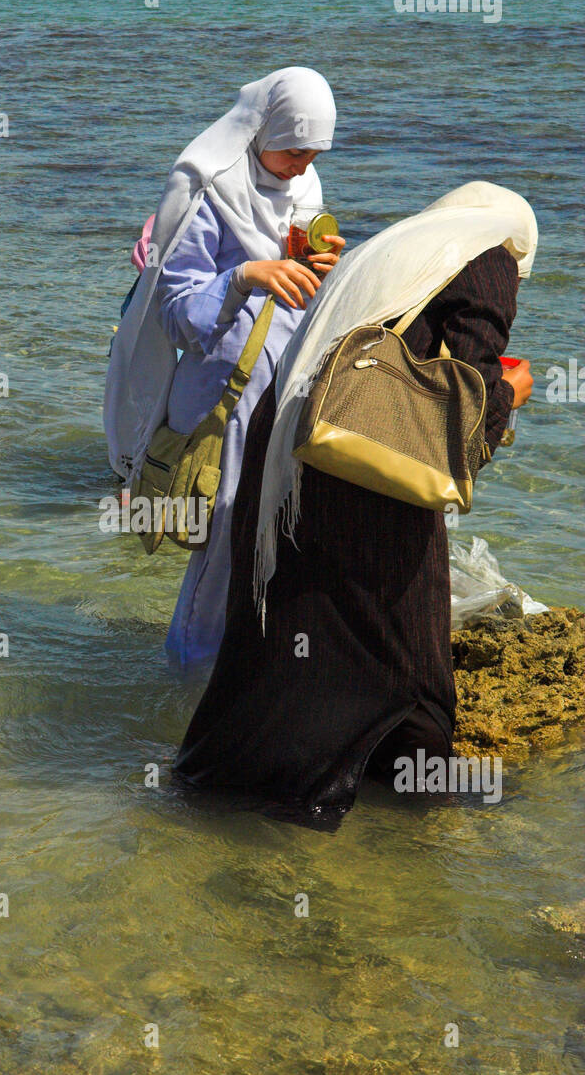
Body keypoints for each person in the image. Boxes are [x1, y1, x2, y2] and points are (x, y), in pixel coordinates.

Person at [174, 182, 537, 821]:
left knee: (292, 619)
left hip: (289, 444)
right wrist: (511, 393)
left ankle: (232, 787)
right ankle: (418, 798)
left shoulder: (395, 248)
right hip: (360, 461)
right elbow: (470, 391)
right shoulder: (491, 254)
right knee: (403, 631)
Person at [104, 67, 344, 669]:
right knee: (223, 539)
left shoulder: (303, 187)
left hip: (284, 382)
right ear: (263, 130)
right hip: (222, 397)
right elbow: (178, 312)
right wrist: (244, 276)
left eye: (314, 153)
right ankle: (189, 673)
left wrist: (322, 266)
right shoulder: (210, 191)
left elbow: (303, 293)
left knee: (279, 529)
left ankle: (247, 659)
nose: (301, 164)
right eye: (293, 149)